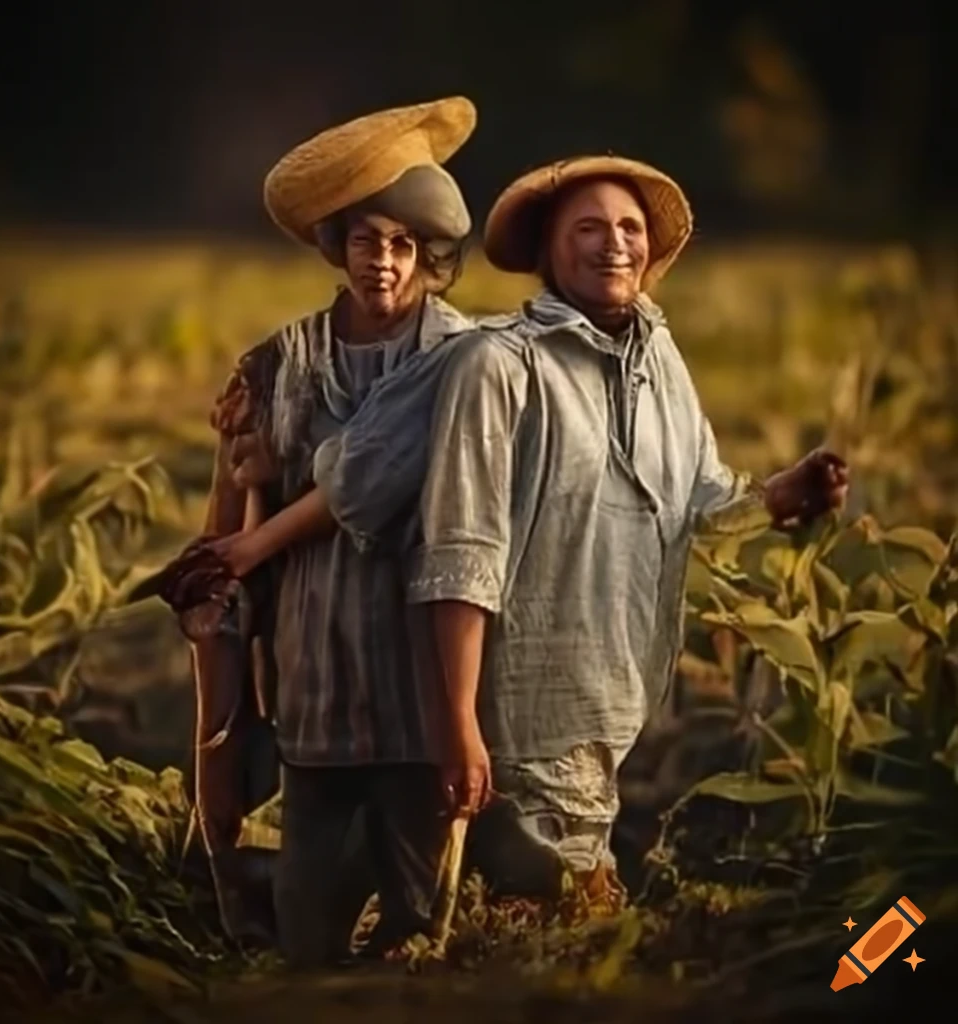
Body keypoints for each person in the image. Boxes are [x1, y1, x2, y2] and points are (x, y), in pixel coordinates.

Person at [167, 154, 849, 908]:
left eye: (628, 227)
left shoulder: (660, 363)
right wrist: (458, 723)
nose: (613, 243)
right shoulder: (494, 362)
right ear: (548, 250)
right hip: (501, 719)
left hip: (603, 715)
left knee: (539, 903)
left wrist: (786, 494)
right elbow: (453, 547)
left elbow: (703, 502)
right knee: (490, 900)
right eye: (587, 228)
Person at [149, 97, 480, 963]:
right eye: (367, 239)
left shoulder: (468, 361)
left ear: (430, 256)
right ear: (338, 246)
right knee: (306, 936)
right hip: (313, 679)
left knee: (417, 938)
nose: (384, 261)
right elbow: (231, 521)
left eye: (404, 245)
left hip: (422, 675)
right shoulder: (276, 362)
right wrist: (236, 468)